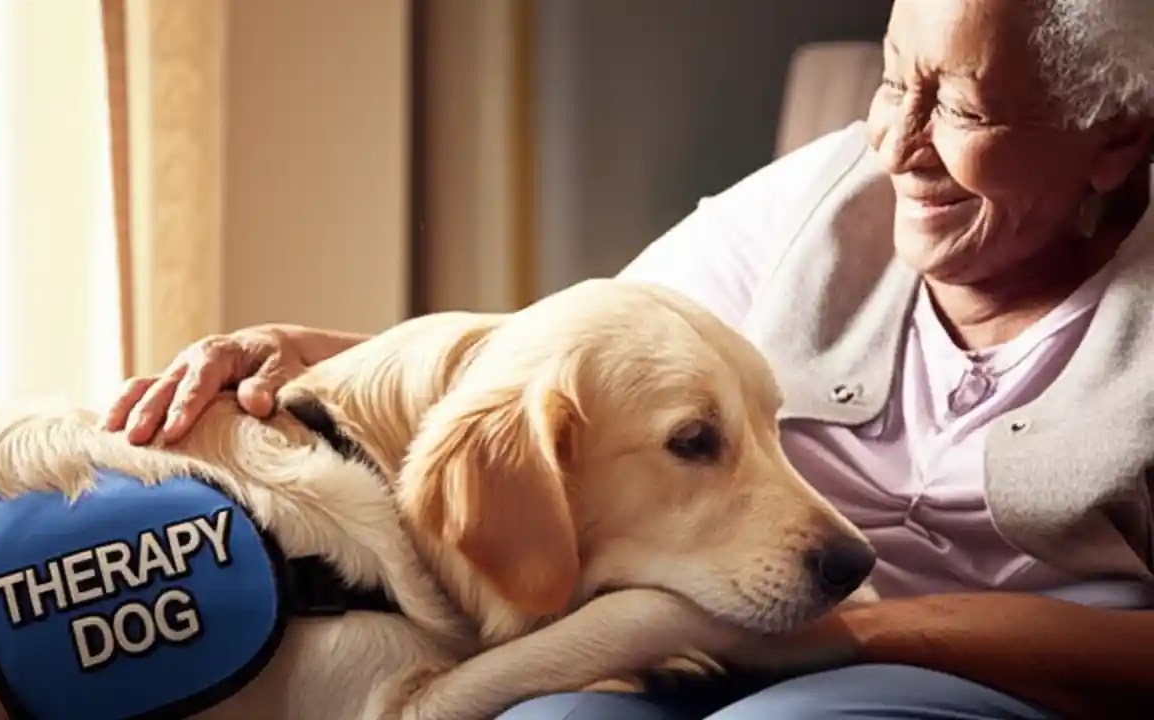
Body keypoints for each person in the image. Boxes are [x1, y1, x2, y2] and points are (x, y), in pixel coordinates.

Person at [106, 0, 1154, 717]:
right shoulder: (822, 197)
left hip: (985, 675)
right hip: (705, 621)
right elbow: (600, 365)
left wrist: (860, 637)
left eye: (962, 107)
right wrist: (315, 351)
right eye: (892, 82)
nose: (895, 144)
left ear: (1113, 134)